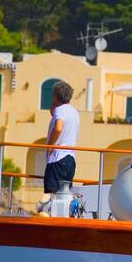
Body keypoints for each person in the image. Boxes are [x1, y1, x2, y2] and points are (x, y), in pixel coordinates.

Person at [38, 80, 80, 213]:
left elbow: (59, 127)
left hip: (58, 158)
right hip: (70, 159)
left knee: (54, 196)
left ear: (56, 96)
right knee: (65, 196)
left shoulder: (60, 111)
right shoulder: (73, 112)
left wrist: (50, 145)